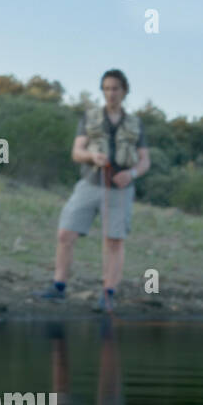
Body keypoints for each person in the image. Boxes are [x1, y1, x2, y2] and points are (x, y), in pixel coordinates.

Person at [33, 69, 151, 313]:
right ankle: (58, 286)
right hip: (90, 184)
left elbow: (144, 161)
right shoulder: (89, 118)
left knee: (114, 241)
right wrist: (91, 156)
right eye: (106, 89)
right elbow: (76, 153)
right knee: (66, 234)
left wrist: (131, 174)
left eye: (115, 88)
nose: (111, 94)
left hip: (120, 189)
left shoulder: (136, 123)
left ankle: (108, 293)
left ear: (124, 91)